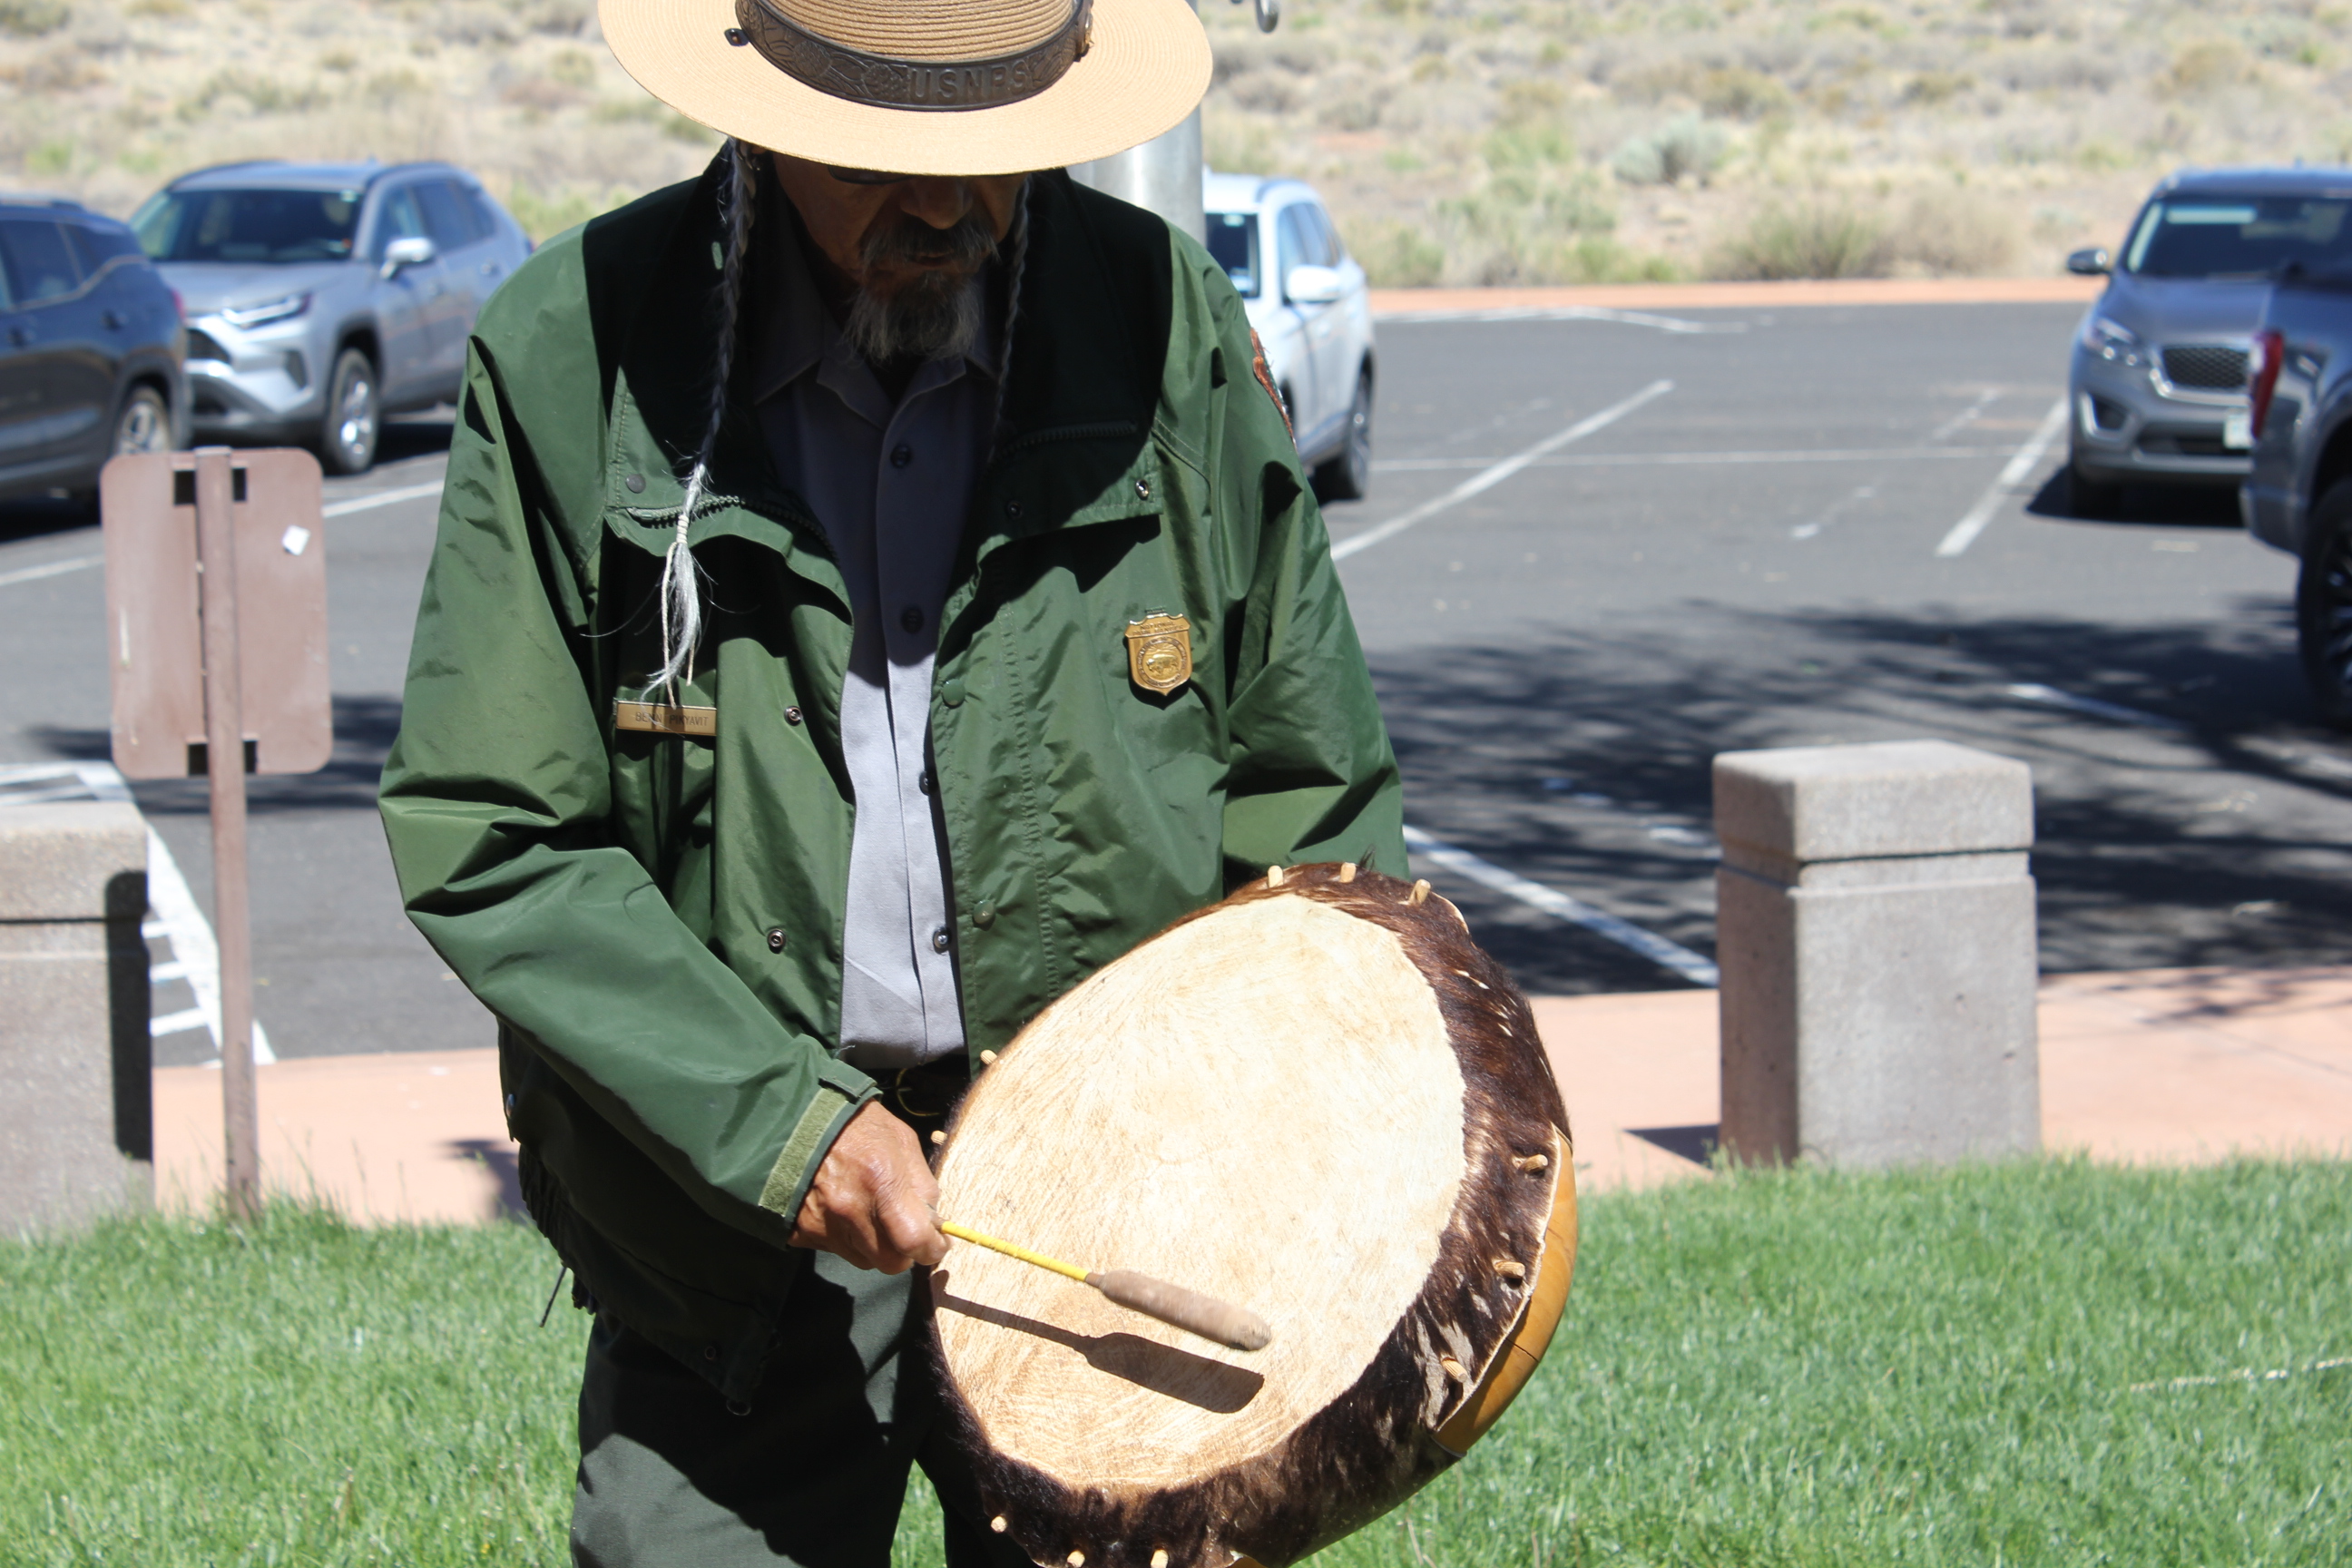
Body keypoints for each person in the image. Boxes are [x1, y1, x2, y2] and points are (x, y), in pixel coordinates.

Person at [377, 0, 1406, 1562]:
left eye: (987, 157)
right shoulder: (572, 350)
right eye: (880, 156)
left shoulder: (1165, 324)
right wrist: (786, 1130)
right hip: (724, 1224)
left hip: (1113, 1199)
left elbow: (1307, 801)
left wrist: (1263, 1149)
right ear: (764, 108)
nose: (942, 204)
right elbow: (497, 835)